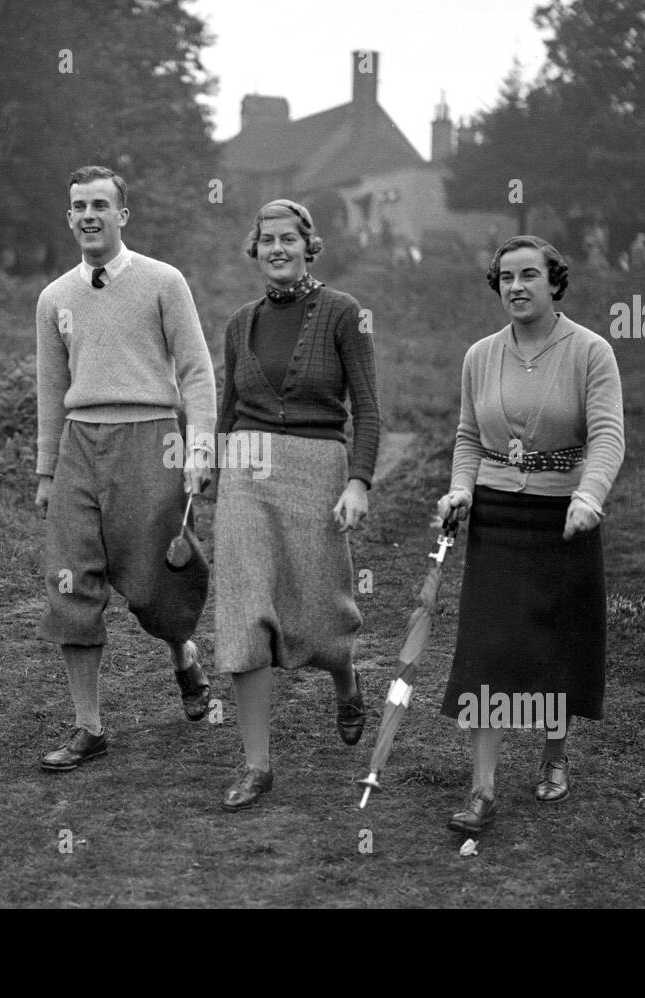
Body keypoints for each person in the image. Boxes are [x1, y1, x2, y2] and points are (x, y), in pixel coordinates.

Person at [434, 235, 624, 834]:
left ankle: (553, 756)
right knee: (487, 651)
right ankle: (483, 789)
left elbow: (607, 437)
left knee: (555, 648)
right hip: (496, 519)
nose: (516, 286)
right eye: (505, 277)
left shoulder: (591, 352)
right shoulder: (480, 356)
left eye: (528, 275)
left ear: (554, 282)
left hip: (564, 519)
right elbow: (468, 437)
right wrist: (461, 489)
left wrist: (589, 497)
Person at [34, 165, 217, 772]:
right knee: (72, 582)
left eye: (100, 206)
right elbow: (50, 388)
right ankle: (89, 727)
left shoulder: (164, 282)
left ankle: (183, 654)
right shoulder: (54, 297)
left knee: (152, 583)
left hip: (151, 441)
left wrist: (199, 447)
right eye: (78, 206)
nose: (89, 215)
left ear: (122, 215)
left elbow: (194, 370)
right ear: (69, 217)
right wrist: (44, 471)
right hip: (80, 448)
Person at [213, 199, 381, 811]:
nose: (277, 248)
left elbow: (367, 406)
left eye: (289, 238)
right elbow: (229, 409)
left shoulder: (344, 313)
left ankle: (345, 676)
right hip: (246, 474)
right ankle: (257, 765)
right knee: (242, 609)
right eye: (266, 240)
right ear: (254, 250)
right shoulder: (239, 323)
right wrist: (208, 466)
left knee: (319, 611)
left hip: (317, 466)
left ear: (310, 246)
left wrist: (358, 481)